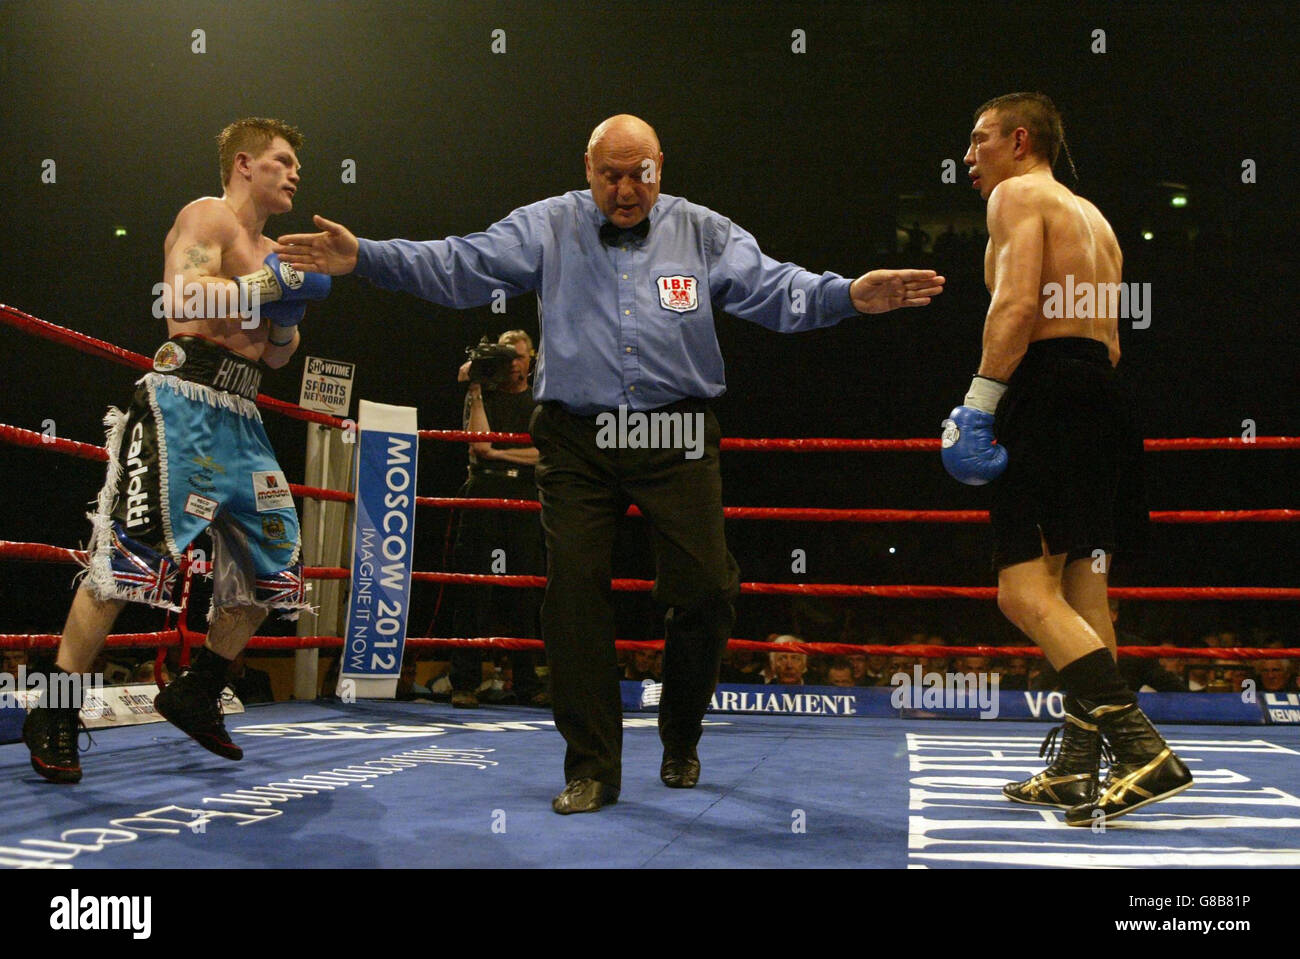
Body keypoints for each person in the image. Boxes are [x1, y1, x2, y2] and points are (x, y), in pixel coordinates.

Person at [275, 113, 944, 814]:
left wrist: (846, 295)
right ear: (587, 169)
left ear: (661, 167)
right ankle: (593, 765)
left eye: (640, 174)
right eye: (611, 175)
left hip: (677, 429)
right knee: (572, 595)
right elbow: (460, 263)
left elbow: (775, 288)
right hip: (576, 437)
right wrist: (367, 257)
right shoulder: (550, 224)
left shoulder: (702, 230)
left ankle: (680, 730)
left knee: (710, 589)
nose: (626, 190)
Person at [22, 118, 326, 783]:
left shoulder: (271, 245)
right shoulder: (207, 215)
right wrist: (272, 287)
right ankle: (58, 708)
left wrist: (288, 318)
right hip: (183, 403)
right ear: (244, 164)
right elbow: (184, 299)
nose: (296, 172)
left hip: (244, 417)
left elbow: (275, 355)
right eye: (282, 160)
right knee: (126, 565)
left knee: (277, 566)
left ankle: (197, 686)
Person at [944, 93, 1191, 823]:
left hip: (1047, 392)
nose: (968, 157)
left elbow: (1017, 306)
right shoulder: (1098, 221)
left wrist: (981, 402)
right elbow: (1109, 341)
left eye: (979, 139)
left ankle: (1142, 747)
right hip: (1101, 395)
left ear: (1020, 141)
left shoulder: (1019, 195)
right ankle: (1078, 769)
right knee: (1083, 594)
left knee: (1022, 593)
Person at [446, 330, 547, 708]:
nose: (510, 362)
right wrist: (474, 384)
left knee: (525, 592)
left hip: (523, 496)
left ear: (529, 361)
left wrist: (501, 455)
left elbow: (545, 454)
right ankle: (465, 683)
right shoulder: (481, 393)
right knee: (472, 589)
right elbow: (478, 445)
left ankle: (527, 683)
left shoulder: (540, 401)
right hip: (483, 494)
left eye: (516, 356)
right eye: (503, 355)